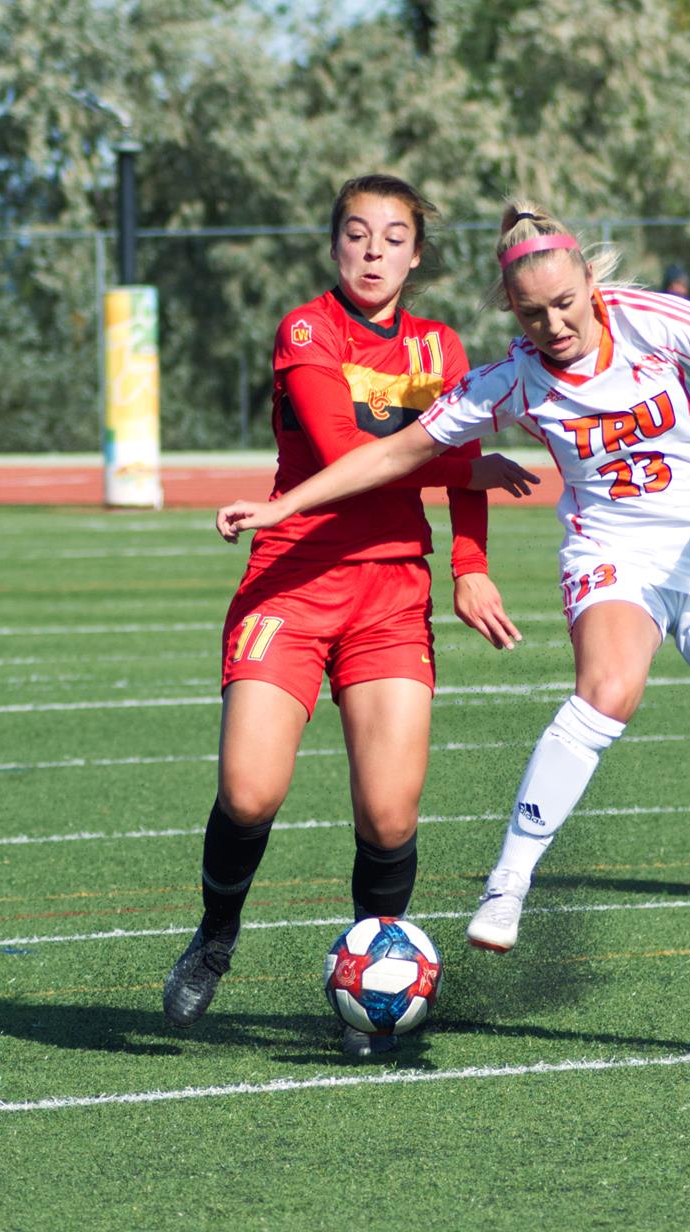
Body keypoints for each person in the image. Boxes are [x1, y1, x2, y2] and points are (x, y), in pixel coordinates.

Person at [216, 202, 690, 1055]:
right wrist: (282, 506)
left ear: (591, 284)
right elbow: (393, 453)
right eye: (533, 314)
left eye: (566, 304)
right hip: (611, 555)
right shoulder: (514, 377)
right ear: (512, 310)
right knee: (608, 690)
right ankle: (508, 882)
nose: (555, 326)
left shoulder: (650, 321)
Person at [161, 174, 537, 1057]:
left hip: (391, 593)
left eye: (393, 238)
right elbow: (343, 452)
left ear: (416, 254)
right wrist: (465, 468)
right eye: (357, 235)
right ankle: (216, 935)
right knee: (249, 792)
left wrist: (470, 568)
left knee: (390, 818)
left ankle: (369, 994)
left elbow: (459, 445)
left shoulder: (440, 345)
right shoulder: (308, 330)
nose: (373, 252)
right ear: (335, 245)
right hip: (291, 580)